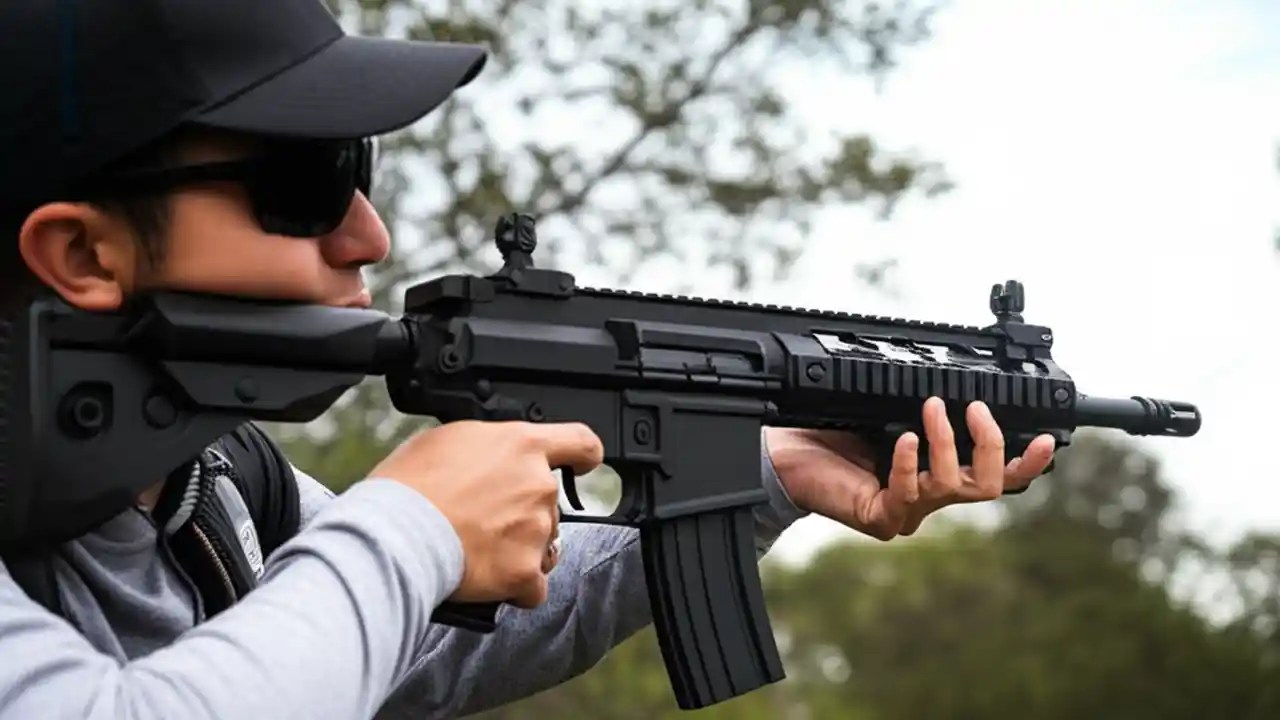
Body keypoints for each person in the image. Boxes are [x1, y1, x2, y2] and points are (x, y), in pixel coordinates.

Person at [0, 1, 1057, 718]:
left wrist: (759, 472)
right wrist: (408, 523)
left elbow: (409, 647)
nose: (367, 234)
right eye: (309, 179)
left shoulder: (215, 484)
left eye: (358, 170)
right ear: (82, 253)